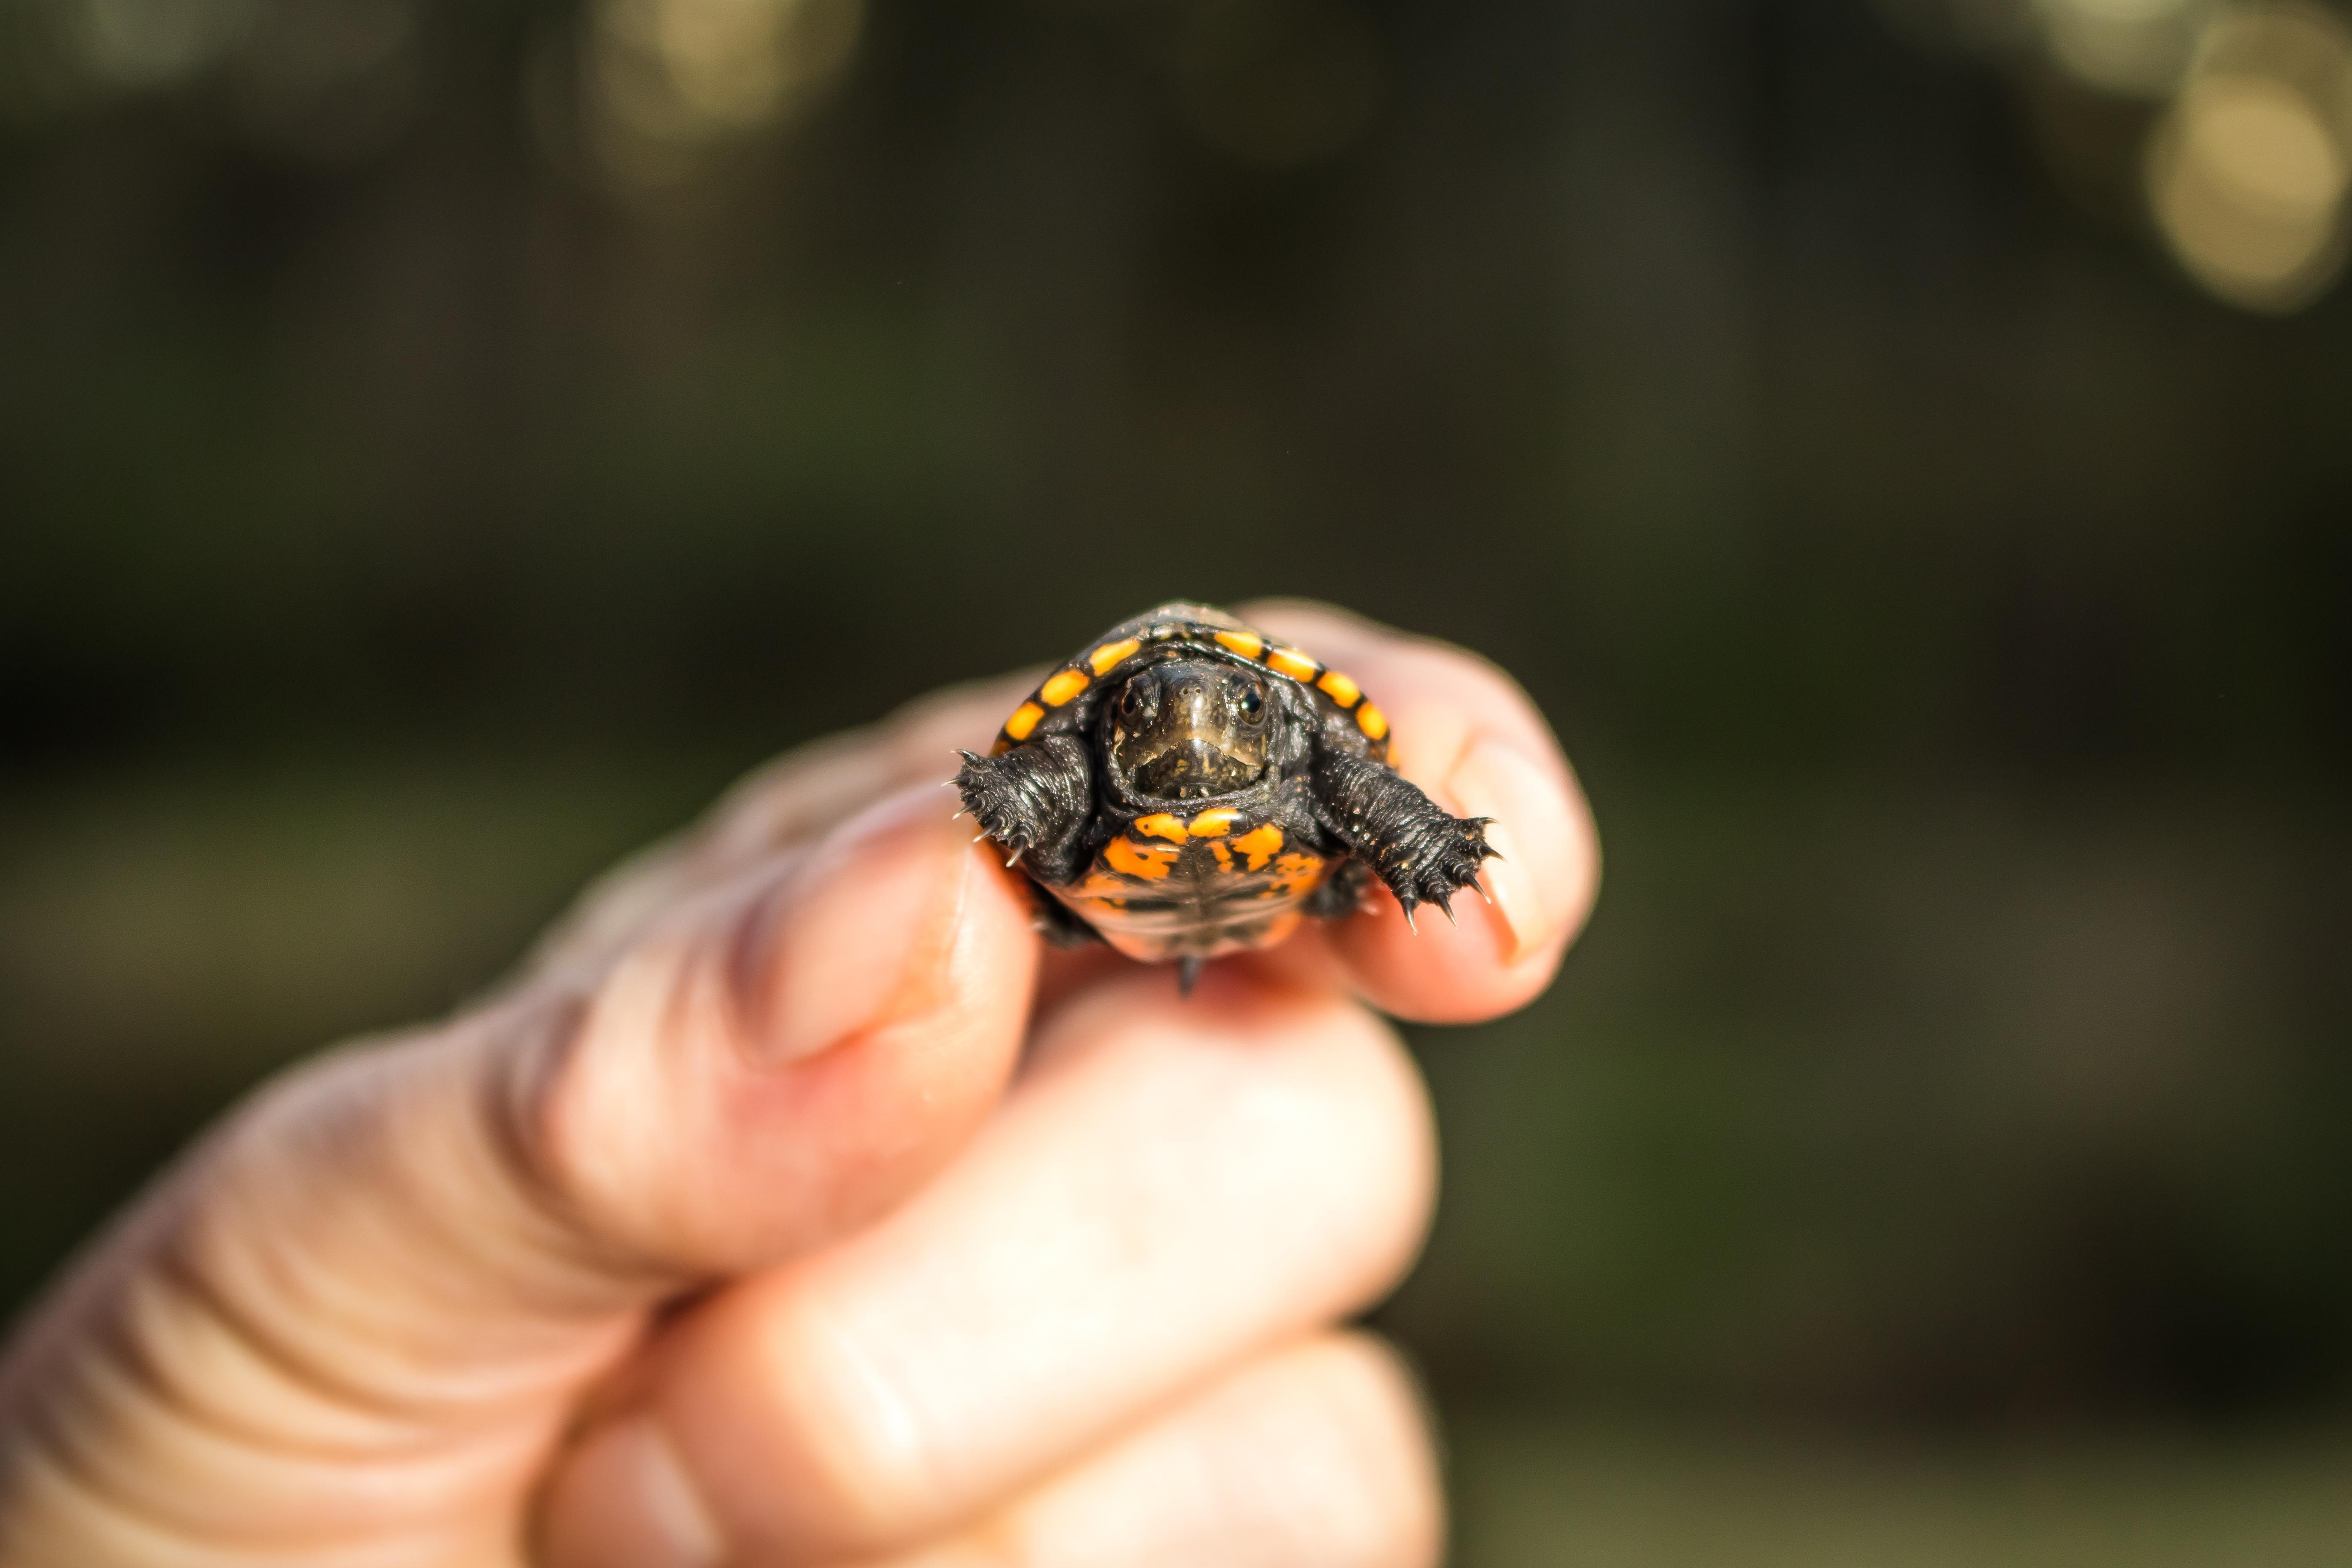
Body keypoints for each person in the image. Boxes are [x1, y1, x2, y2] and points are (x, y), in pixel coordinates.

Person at [0, 603, 1598, 1567]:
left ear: (1271, 727)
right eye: (1155, 710)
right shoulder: (1071, 769)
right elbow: (996, 803)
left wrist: (1420, 843)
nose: (1187, 724)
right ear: (1115, 729)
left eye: (1225, 711)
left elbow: (1386, 789)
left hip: (1245, 919)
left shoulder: (1314, 766)